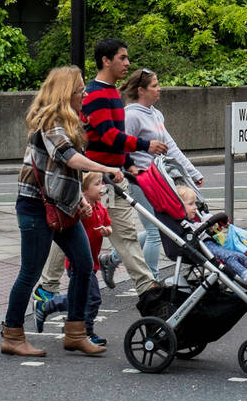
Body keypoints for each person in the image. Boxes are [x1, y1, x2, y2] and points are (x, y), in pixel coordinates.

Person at [33, 39, 167, 314]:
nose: (127, 63)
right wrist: (143, 147)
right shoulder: (95, 95)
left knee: (106, 232)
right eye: (122, 58)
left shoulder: (112, 94)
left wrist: (128, 164)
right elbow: (107, 136)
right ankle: (147, 287)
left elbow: (113, 138)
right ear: (106, 61)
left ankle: (146, 287)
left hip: (110, 177)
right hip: (97, 178)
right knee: (95, 232)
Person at [2, 65, 117, 358]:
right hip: (36, 207)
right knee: (30, 272)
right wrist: (104, 169)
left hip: (62, 207)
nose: (85, 93)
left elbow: (62, 172)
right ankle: (12, 335)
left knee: (83, 264)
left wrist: (78, 198)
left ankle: (75, 332)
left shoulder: (69, 122)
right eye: (80, 89)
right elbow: (67, 157)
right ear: (67, 93)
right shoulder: (50, 121)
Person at [123, 67, 204, 282]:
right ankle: (151, 281)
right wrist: (131, 172)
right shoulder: (130, 115)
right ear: (141, 90)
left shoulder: (156, 113)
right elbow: (122, 148)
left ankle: (113, 258)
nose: (159, 89)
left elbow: (171, 146)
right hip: (141, 181)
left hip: (159, 180)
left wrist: (192, 173)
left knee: (160, 229)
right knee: (156, 231)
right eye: (154, 86)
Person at [34, 172, 111, 347]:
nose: (103, 187)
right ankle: (86, 331)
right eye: (97, 184)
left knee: (80, 296)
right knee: (92, 299)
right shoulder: (82, 210)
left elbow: (108, 225)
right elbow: (72, 230)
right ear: (84, 190)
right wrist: (81, 215)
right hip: (78, 263)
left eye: (102, 183)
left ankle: (49, 307)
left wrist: (107, 230)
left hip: (92, 262)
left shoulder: (101, 208)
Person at [174, 184, 247, 293]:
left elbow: (203, 225)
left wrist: (210, 220)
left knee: (240, 255)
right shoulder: (184, 223)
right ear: (180, 207)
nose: (195, 207)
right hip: (202, 248)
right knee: (230, 257)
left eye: (195, 204)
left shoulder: (192, 220)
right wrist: (206, 223)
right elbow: (195, 230)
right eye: (191, 204)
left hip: (209, 244)